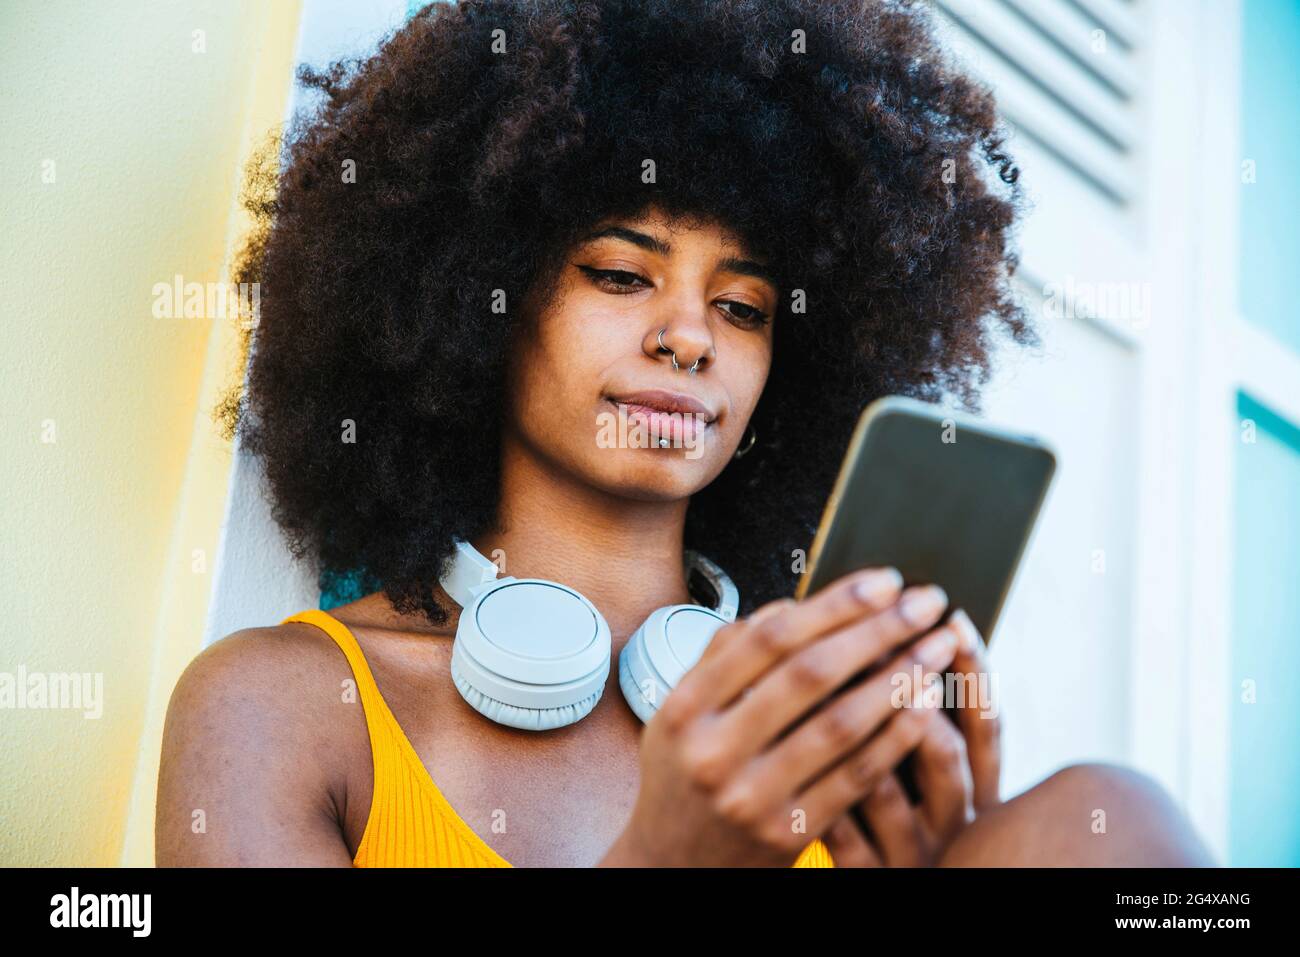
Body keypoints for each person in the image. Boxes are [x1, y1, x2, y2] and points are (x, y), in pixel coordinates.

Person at [155, 0, 1213, 867]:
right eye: (620, 275)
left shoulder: (828, 759)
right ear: (472, 301)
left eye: (744, 308)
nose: (687, 338)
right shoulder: (281, 705)